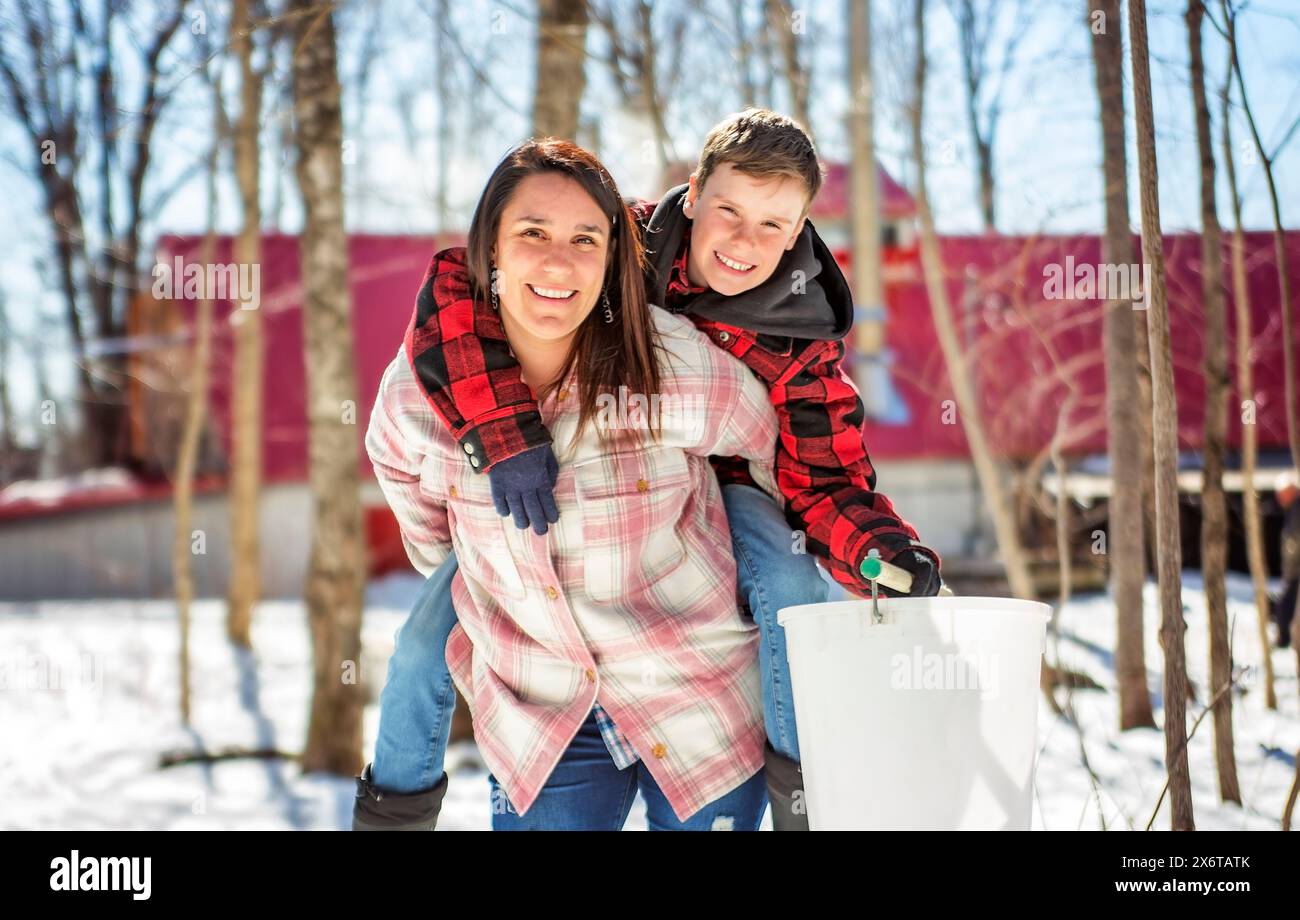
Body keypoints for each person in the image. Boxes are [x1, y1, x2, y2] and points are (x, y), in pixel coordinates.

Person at [389, 109, 943, 830]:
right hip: (573, 486)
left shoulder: (800, 334)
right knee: (428, 629)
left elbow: (827, 476)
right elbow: (462, 287)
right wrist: (502, 430)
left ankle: (806, 789)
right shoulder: (627, 243)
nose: (745, 243)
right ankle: (394, 805)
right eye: (729, 212)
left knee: (786, 579)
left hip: (730, 486)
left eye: (775, 226)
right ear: (693, 192)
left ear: (804, 227)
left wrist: (879, 548)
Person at [360, 139, 782, 830]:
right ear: (489, 248)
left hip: (698, 695)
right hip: (541, 716)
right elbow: (431, 535)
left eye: (585, 238)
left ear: (612, 255)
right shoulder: (416, 398)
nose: (559, 261)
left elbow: (765, 449)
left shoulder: (666, 357)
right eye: (532, 233)